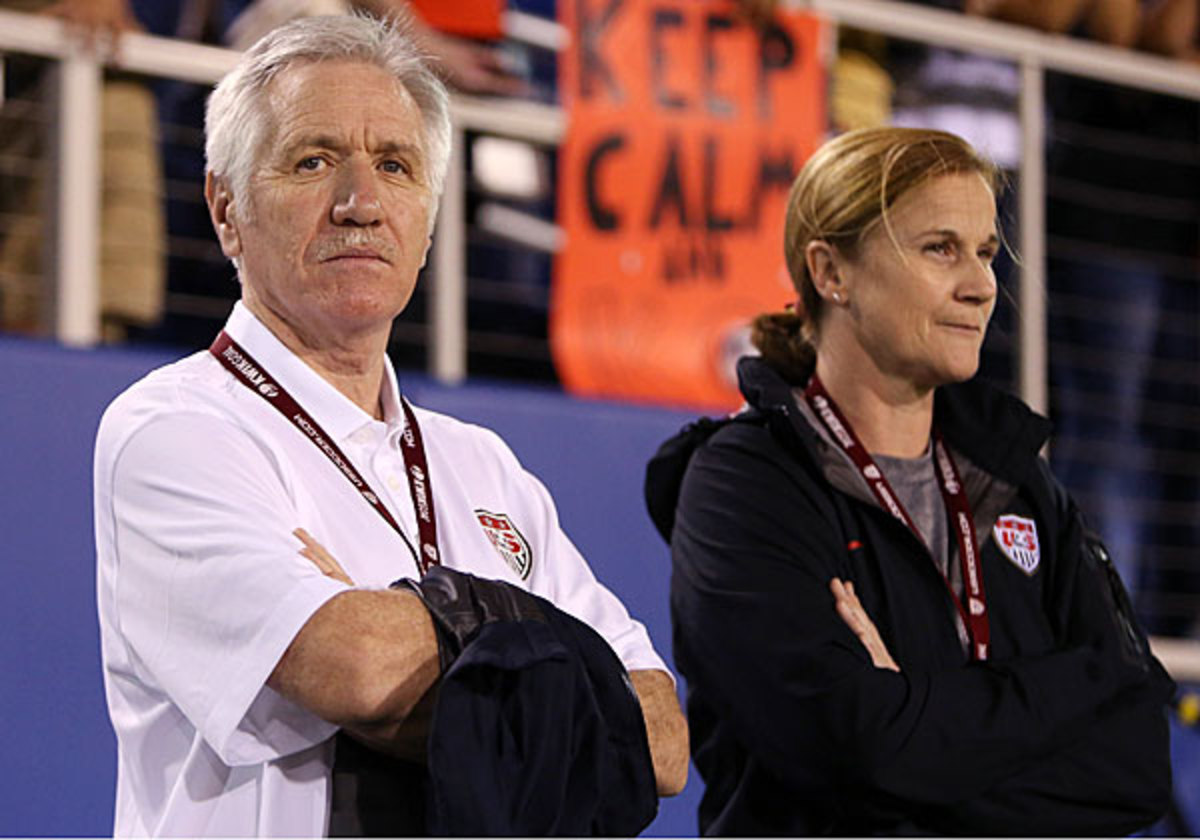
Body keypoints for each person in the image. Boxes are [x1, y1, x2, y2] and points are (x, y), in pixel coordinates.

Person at [93, 13, 686, 836]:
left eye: (396, 166)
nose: (360, 204)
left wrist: (409, 624)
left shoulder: (483, 466)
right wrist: (543, 663)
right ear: (225, 209)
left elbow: (661, 741)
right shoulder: (176, 429)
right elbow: (358, 666)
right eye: (313, 161)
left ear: (429, 224)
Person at [645, 126, 1175, 835]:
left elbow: (1138, 762)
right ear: (831, 273)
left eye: (987, 252)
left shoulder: (1017, 476)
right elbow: (850, 748)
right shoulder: (740, 486)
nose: (981, 286)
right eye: (940, 249)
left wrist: (911, 716)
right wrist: (1060, 693)